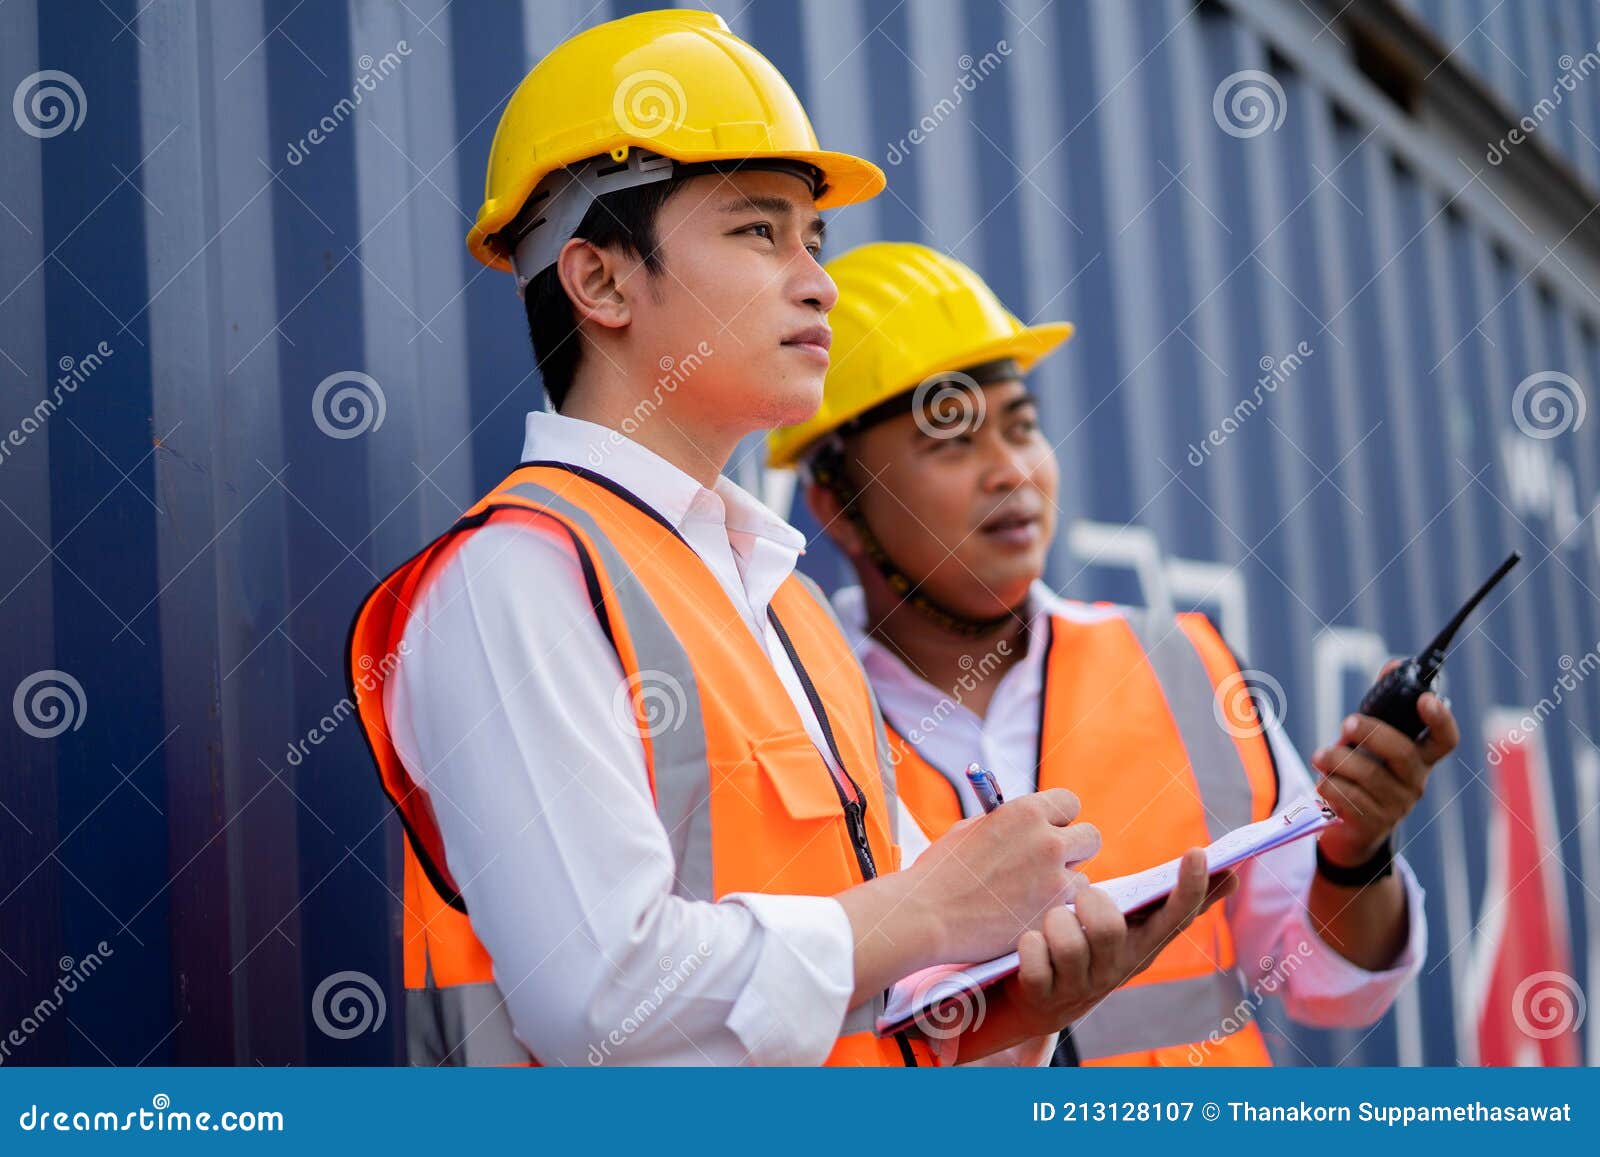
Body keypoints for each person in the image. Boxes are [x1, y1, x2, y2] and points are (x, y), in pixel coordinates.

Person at [347, 12, 1230, 1067]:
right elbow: (600, 1005)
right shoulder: (517, 581)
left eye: (813, 240)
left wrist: (1015, 1012)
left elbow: (887, 1002)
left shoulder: (789, 609)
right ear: (601, 281)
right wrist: (932, 910)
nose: (818, 281)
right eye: (757, 231)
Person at [769, 241, 1457, 1066]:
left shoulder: (1181, 666)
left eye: (1022, 428)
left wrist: (1355, 853)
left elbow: (1329, 984)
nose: (1010, 472)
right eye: (952, 440)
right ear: (836, 505)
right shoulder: (785, 707)